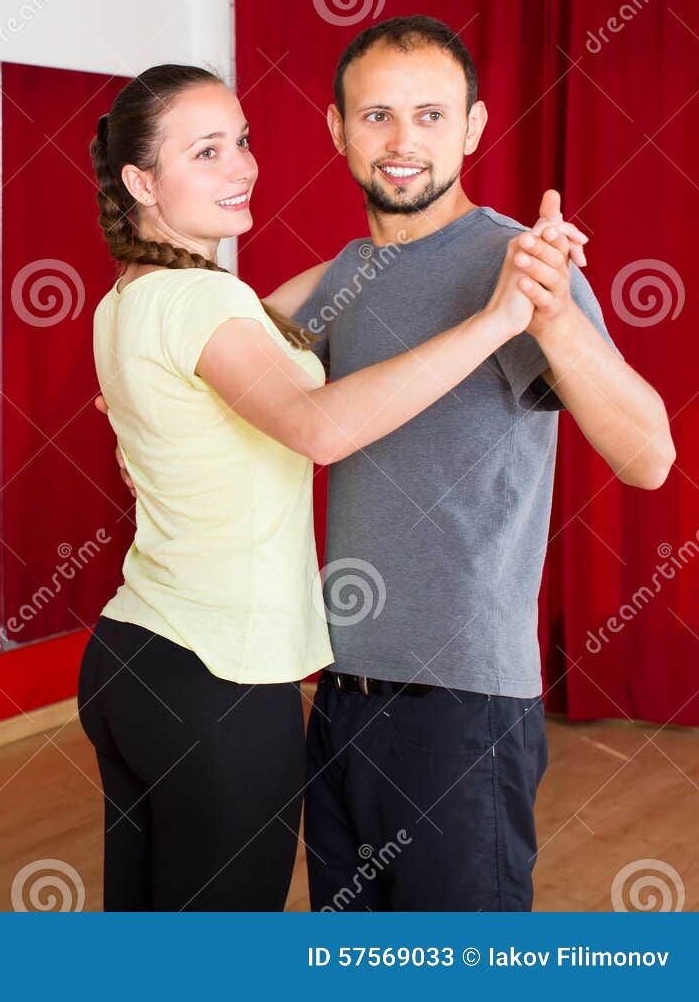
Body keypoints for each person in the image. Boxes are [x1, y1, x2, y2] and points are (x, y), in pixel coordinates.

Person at [83, 62, 580, 910]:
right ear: (141, 182)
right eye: (206, 152)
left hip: (135, 658)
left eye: (241, 141)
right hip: (219, 678)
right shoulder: (202, 303)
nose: (241, 167)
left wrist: (404, 248)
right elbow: (318, 428)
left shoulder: (135, 297)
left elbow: (277, 318)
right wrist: (498, 317)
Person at [256, 16, 671, 912]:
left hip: (464, 704)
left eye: (431, 116)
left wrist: (554, 320)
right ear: (337, 129)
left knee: (463, 967)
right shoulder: (342, 278)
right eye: (377, 116)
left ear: (475, 128)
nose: (403, 142)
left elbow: (651, 458)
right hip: (340, 693)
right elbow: (234, 351)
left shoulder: (515, 263)